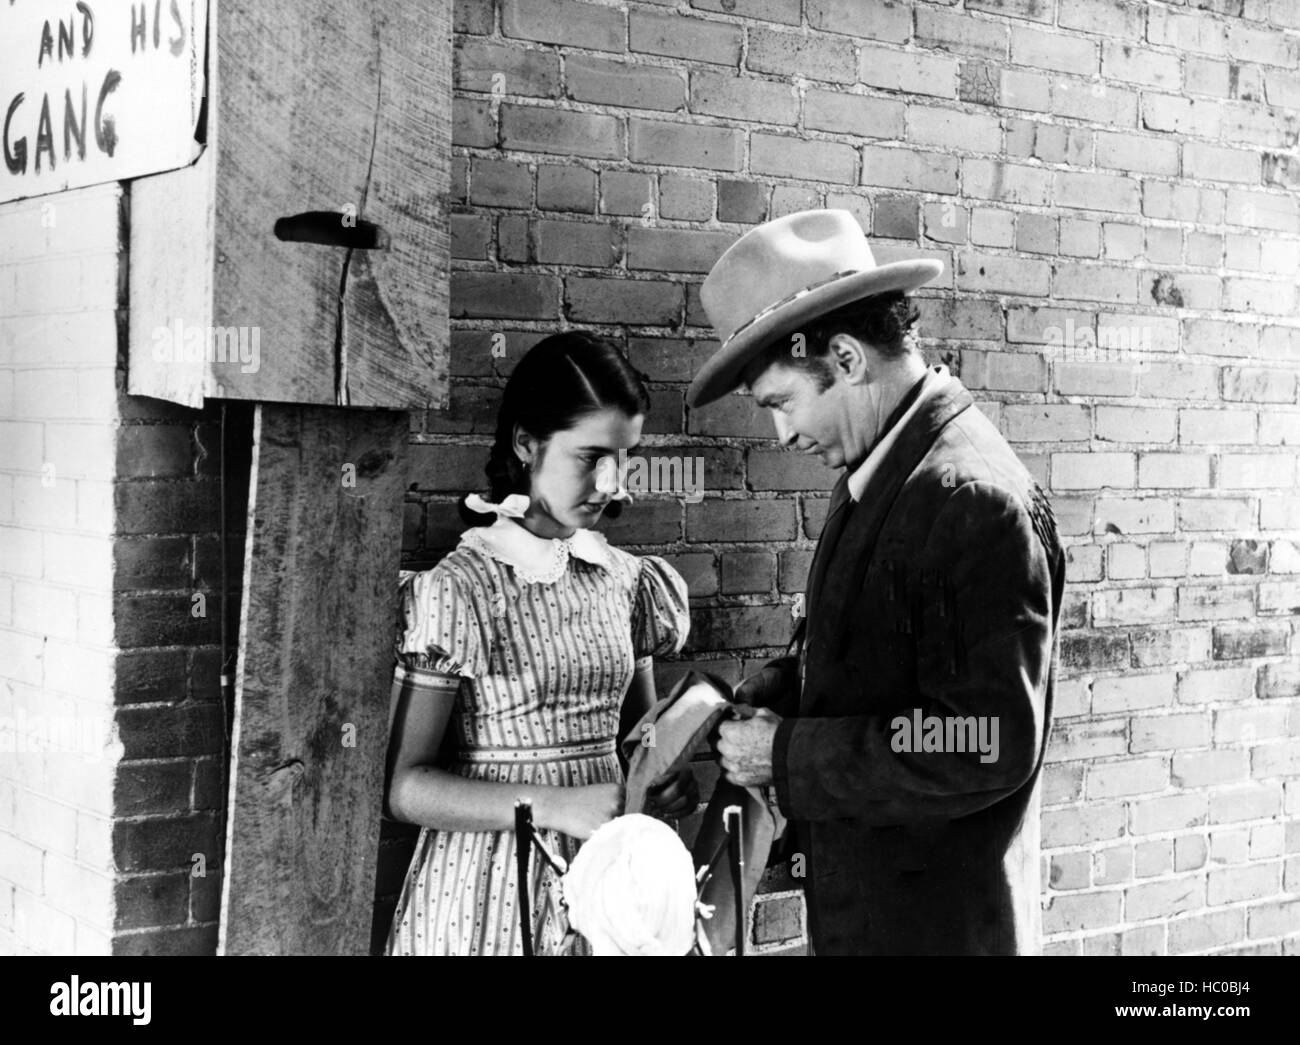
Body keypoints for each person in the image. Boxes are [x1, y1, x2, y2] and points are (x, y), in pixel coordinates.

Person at [688, 209, 1066, 956]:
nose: (783, 436)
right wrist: (781, 691)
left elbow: (984, 736)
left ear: (848, 359)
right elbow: (881, 661)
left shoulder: (971, 500)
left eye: (782, 403)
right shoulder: (884, 463)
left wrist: (788, 756)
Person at [383, 331, 697, 956]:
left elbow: (642, 740)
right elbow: (403, 789)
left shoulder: (627, 581)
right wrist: (551, 805)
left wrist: (667, 783)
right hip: (491, 878)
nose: (609, 483)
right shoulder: (461, 589)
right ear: (527, 443)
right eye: (589, 457)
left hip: (612, 878)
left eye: (622, 458)